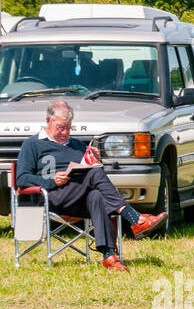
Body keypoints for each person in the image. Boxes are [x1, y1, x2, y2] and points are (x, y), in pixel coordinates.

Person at [14, 100, 166, 270]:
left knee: (97, 195)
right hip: (53, 198)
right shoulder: (33, 144)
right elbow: (22, 178)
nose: (65, 132)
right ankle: (134, 217)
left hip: (79, 200)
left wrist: (96, 160)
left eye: (68, 127)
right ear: (48, 121)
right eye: (60, 127)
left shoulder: (78, 145)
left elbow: (93, 177)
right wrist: (50, 181)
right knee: (94, 173)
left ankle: (109, 255)